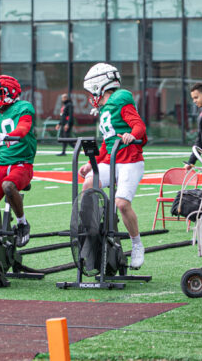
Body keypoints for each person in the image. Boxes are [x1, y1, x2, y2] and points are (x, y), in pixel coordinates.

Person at [78, 63, 146, 270]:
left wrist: (132, 135)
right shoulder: (105, 108)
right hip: (111, 159)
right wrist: (91, 163)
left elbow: (139, 126)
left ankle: (137, 245)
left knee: (122, 204)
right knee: (88, 185)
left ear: (98, 86)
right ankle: (94, 232)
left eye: (92, 91)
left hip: (130, 160)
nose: (91, 96)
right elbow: (107, 144)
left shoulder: (119, 99)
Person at [0, 75, 36, 248]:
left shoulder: (23, 107)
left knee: (8, 186)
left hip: (22, 163)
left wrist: (10, 135)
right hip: (1, 164)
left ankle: (22, 223)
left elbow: (23, 128)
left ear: (10, 92)